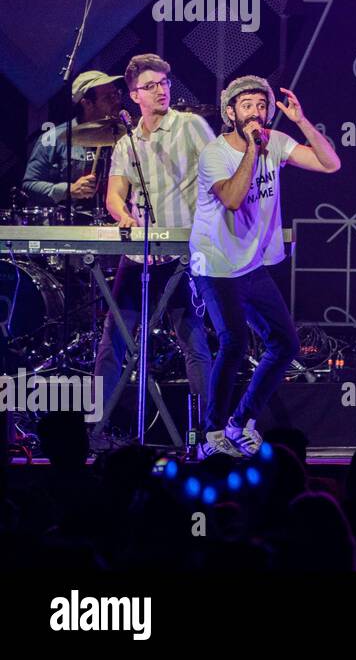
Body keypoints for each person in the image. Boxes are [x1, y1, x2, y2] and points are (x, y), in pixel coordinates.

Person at [190, 76, 340, 459]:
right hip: (216, 263)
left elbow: (330, 164)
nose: (256, 111)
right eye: (247, 105)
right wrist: (254, 154)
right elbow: (235, 199)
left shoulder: (276, 142)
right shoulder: (214, 154)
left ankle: (240, 423)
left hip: (250, 264)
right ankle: (212, 434)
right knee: (235, 340)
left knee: (285, 343)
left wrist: (302, 122)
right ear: (230, 113)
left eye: (261, 104)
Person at [93, 55, 214, 442]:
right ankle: (93, 432)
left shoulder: (191, 126)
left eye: (165, 82)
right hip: (138, 256)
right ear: (133, 96)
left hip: (181, 255)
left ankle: (208, 431)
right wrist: (122, 217)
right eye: (151, 85)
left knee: (194, 343)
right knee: (113, 342)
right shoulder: (127, 142)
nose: (161, 90)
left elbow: (221, 172)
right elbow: (115, 194)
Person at [21, 70, 123, 207]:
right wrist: (68, 190)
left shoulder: (123, 136)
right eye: (108, 97)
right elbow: (29, 184)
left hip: (108, 221)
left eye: (116, 94)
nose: (116, 100)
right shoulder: (53, 138)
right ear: (87, 104)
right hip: (65, 223)